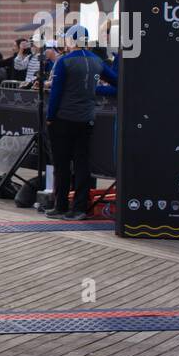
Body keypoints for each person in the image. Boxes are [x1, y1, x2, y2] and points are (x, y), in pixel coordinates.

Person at [45, 27, 117, 220]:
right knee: (82, 163)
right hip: (86, 119)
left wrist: (50, 117)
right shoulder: (96, 61)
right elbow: (117, 82)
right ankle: (79, 208)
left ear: (71, 40)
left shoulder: (64, 62)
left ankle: (60, 206)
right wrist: (95, 91)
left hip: (63, 118)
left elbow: (56, 94)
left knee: (61, 164)